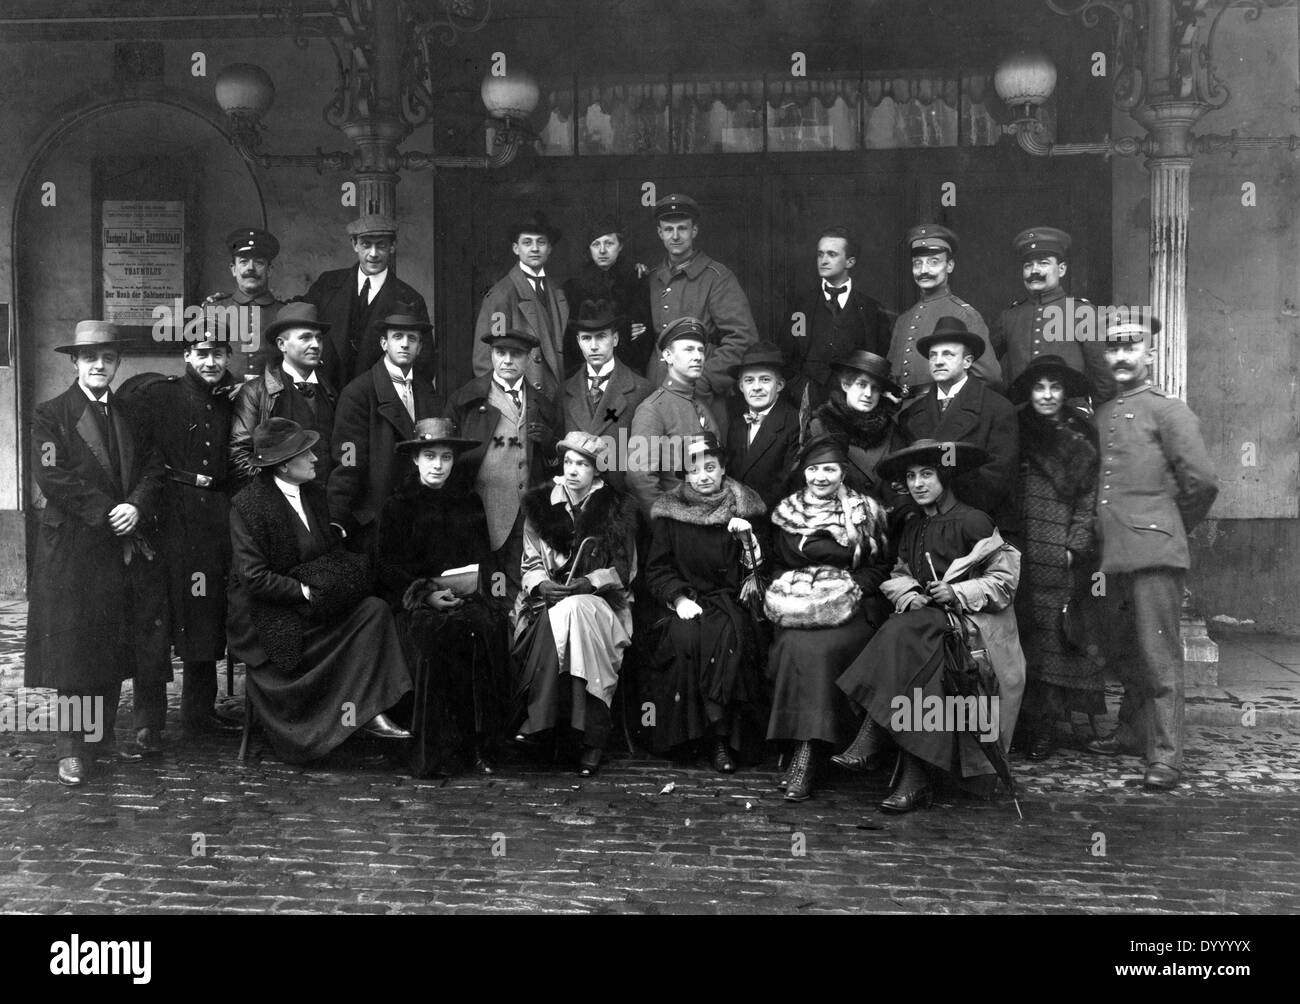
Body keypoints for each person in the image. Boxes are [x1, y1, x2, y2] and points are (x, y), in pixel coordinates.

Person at [835, 440, 1026, 813]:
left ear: (945, 476)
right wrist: (912, 594)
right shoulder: (914, 525)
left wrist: (955, 590)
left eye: (927, 475)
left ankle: (873, 734)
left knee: (905, 632)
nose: (918, 484)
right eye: (911, 477)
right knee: (922, 654)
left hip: (975, 625)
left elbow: (1004, 580)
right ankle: (915, 779)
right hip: (931, 627)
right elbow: (901, 573)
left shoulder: (974, 520)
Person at [25, 321, 172, 785]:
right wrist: (109, 511)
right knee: (74, 646)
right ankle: (71, 749)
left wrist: (136, 506)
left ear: (117, 363)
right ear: (75, 363)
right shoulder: (51, 414)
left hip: (121, 542)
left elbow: (154, 468)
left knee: (110, 638)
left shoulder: (131, 413)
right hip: (74, 544)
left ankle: (101, 737)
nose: (99, 365)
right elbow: (53, 477)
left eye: (107, 358)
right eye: (90, 358)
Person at [226, 418, 413, 764]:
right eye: (306, 453)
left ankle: (369, 711)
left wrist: (337, 584)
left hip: (314, 603)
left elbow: (329, 554)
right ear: (284, 464)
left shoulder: (314, 494)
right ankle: (345, 721)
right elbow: (254, 578)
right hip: (271, 614)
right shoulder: (248, 506)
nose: (315, 459)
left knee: (373, 609)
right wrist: (307, 592)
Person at [1084, 316, 1218, 791]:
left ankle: (1165, 755)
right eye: (1113, 348)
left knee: (1159, 656)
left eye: (1131, 346)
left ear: (1151, 354)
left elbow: (1201, 482)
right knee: (1123, 649)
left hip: (1155, 551)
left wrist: (1168, 526)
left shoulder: (1170, 411)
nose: (1121, 356)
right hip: (1112, 552)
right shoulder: (1103, 414)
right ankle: (1129, 731)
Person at [116, 328, 242, 735]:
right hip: (166, 517)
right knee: (156, 620)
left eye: (220, 354)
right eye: (203, 353)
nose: (211, 362)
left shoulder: (229, 403)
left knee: (204, 614)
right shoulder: (157, 396)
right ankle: (148, 722)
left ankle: (198, 714)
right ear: (187, 355)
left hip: (212, 521)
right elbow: (129, 450)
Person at [374, 418, 510, 777]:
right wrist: (425, 593)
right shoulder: (398, 505)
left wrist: (486, 595)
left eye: (446, 457)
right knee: (436, 636)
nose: (438, 465)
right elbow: (386, 567)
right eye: (430, 456)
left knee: (485, 630)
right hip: (415, 603)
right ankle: (432, 751)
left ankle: (478, 747)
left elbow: (484, 558)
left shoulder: (468, 502)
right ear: (416, 460)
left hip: (464, 597)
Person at [765, 436, 891, 801]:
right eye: (814, 469)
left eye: (829, 469)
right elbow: (777, 563)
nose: (821, 477)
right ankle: (801, 747)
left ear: (843, 473)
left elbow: (880, 564)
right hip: (796, 606)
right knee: (793, 646)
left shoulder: (865, 512)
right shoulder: (787, 512)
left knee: (822, 652)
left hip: (851, 607)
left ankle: (808, 753)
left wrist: (852, 584)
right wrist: (795, 589)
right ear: (804, 473)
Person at [511, 432, 638, 777]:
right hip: (546, 605)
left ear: (596, 471)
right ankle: (590, 738)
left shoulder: (616, 508)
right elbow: (530, 562)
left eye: (582, 464)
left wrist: (592, 582)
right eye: (568, 462)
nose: (572, 471)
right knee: (567, 611)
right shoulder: (539, 505)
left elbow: (625, 572)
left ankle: (538, 719)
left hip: (604, 605)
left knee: (576, 609)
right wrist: (541, 584)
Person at [644, 434, 768, 772]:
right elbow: (656, 569)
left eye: (710, 467)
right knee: (685, 640)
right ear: (685, 475)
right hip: (687, 601)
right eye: (694, 469)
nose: (703, 476)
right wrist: (679, 598)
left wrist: (747, 542)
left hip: (728, 602)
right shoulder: (671, 512)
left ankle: (722, 740)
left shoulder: (742, 508)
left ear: (723, 469)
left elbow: (755, 577)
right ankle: (688, 738)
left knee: (730, 639)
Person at [1008, 356, 1105, 759]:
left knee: (1053, 641)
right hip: (1020, 541)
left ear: (1065, 393)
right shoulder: (1014, 427)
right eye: (1039, 387)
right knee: (1020, 636)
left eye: (1055, 388)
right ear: (1029, 392)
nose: (1047, 396)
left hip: (1059, 548)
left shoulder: (1080, 431)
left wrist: (1076, 543)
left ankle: (1044, 727)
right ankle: (1017, 724)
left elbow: (1088, 497)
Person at [446, 328, 560, 605]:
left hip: (527, 517)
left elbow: (555, 467)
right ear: (492, 355)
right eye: (501, 353)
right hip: (482, 512)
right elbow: (448, 459)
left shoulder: (542, 404)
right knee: (483, 592)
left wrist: (548, 445)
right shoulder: (466, 400)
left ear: (528, 358)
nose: (507, 360)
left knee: (523, 591)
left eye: (516, 354)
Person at [645, 194, 759, 437]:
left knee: (703, 463)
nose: (675, 236)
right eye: (668, 229)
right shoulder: (652, 277)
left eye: (682, 228)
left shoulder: (717, 277)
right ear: (659, 233)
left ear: (694, 230)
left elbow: (743, 339)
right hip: (656, 390)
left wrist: (705, 378)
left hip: (700, 394)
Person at [327, 307, 442, 546]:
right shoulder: (359, 393)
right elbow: (348, 462)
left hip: (420, 516)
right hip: (377, 518)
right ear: (383, 343)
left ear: (420, 348)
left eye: (412, 339)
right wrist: (338, 518)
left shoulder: (427, 391)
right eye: (397, 337)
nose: (405, 344)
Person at [899, 317, 1019, 536]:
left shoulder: (998, 409)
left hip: (978, 526)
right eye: (933, 355)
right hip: (926, 527)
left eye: (948, 354)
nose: (938, 361)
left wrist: (949, 506)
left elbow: (997, 476)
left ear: (967, 361)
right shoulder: (911, 415)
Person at [302, 215, 431, 390]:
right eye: (366, 244)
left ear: (393, 246)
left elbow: (424, 364)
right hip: (326, 396)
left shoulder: (410, 299)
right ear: (354, 244)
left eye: (381, 245)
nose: (373, 253)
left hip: (378, 404)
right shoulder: (328, 285)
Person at [989, 226, 1114, 405]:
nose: (1034, 271)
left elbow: (1104, 378)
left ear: (1061, 269)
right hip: (1021, 421)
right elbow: (985, 368)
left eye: (1043, 263)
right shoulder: (1010, 317)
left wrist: (1085, 414)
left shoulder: (1081, 312)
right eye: (1028, 265)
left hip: (1069, 417)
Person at [779, 225, 892, 418]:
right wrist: (799, 390)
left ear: (850, 261)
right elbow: (788, 354)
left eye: (832, 254)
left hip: (855, 403)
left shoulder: (871, 308)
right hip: (808, 400)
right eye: (820, 254)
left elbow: (878, 356)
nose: (823, 260)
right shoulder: (801, 307)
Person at [229, 301, 337, 490]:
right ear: (282, 344)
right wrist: (278, 496)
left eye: (319, 338)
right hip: (278, 502)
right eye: (305, 338)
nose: (315, 345)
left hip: (325, 502)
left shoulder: (331, 392)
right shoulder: (256, 392)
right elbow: (240, 456)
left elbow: (344, 450)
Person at [887, 224, 1001, 395]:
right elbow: (891, 373)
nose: (924, 270)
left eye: (934, 262)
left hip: (942, 413)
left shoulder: (965, 314)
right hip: (902, 415)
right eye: (917, 263)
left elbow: (990, 376)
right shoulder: (904, 319)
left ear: (949, 266)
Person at [627, 317, 722, 519]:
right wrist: (667, 526)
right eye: (688, 349)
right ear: (668, 356)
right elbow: (639, 476)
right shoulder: (652, 409)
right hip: (678, 530)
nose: (697, 356)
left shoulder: (702, 407)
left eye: (700, 350)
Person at [472, 211, 569, 401]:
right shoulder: (501, 295)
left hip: (554, 398)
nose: (534, 248)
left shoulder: (557, 293)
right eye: (527, 242)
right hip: (523, 398)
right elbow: (486, 358)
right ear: (516, 248)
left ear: (550, 248)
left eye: (541, 242)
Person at [560, 298, 653, 493]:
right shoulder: (565, 391)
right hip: (576, 502)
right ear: (578, 341)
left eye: (601, 336)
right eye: (586, 338)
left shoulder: (641, 390)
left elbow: (646, 463)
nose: (593, 346)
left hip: (619, 501)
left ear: (616, 339)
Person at [805, 350, 911, 508]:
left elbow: (900, 487)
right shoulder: (820, 426)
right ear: (845, 385)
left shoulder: (892, 431)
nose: (868, 394)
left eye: (875, 388)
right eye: (861, 384)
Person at [561, 215, 652, 375]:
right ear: (589, 248)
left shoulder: (636, 279)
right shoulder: (574, 287)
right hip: (587, 367)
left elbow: (643, 331)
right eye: (596, 244)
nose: (602, 250)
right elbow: (571, 336)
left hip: (630, 366)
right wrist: (624, 331)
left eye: (609, 243)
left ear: (620, 246)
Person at [723, 343, 801, 513]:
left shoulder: (795, 423)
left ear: (779, 385)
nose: (756, 387)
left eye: (765, 379)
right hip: (737, 520)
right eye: (749, 380)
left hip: (773, 518)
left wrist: (750, 510)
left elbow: (788, 480)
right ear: (741, 387)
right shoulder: (736, 425)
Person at [201, 227, 287, 379]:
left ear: (269, 270)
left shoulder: (285, 313)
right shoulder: (213, 310)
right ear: (233, 269)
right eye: (243, 262)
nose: (250, 268)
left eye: (259, 262)